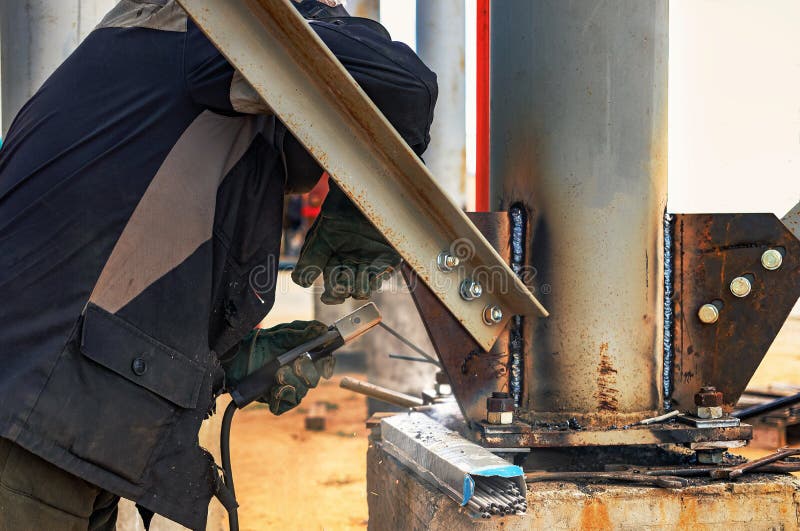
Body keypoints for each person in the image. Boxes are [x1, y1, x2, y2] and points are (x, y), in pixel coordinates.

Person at [0, 0, 437, 528]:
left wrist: (236, 360)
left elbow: (122, 270)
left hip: (58, 419)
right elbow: (404, 82)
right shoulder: (210, 20)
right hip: (29, 415)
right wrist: (369, 197)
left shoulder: (188, 103)